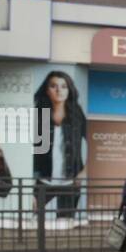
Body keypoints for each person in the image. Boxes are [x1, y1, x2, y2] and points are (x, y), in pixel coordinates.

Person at [33, 70, 86, 218]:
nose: (59, 90)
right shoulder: (38, 113)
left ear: (69, 90)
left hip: (70, 182)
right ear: (47, 90)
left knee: (66, 224)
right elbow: (26, 148)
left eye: (64, 86)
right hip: (43, 179)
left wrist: (83, 172)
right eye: (53, 86)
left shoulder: (77, 114)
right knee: (27, 217)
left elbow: (93, 142)